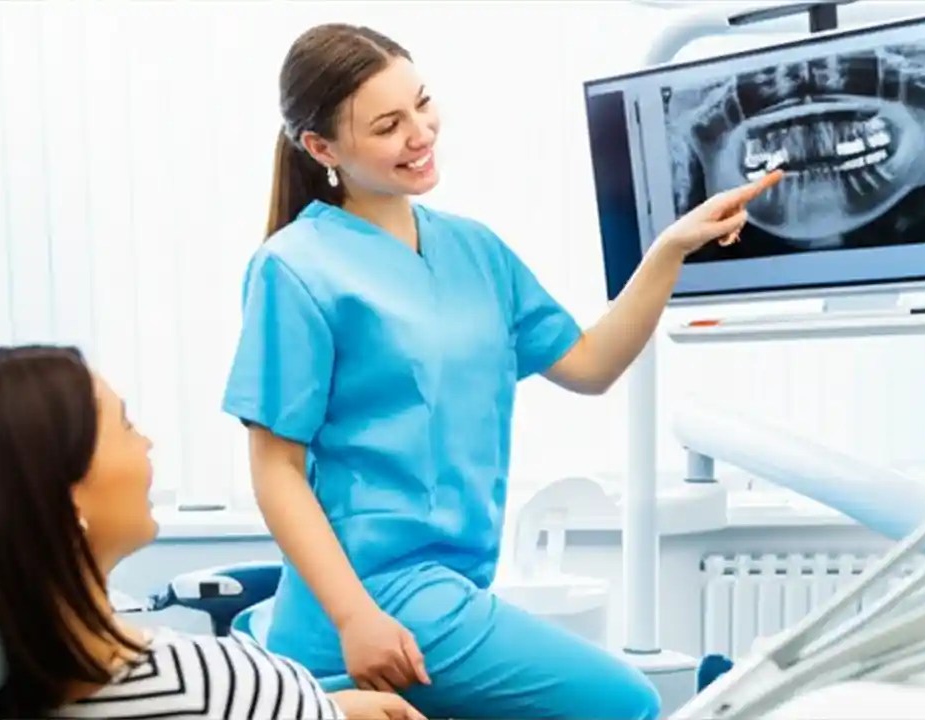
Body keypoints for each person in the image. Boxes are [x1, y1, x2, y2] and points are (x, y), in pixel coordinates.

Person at [221, 22, 783, 720]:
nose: (421, 133)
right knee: (627, 705)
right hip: (369, 596)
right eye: (390, 125)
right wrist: (354, 617)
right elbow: (275, 468)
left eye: (423, 104)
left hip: (452, 585)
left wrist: (669, 251)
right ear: (321, 148)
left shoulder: (475, 250)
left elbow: (590, 364)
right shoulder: (294, 267)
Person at [0, 344, 425, 720]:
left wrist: (323, 706)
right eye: (126, 425)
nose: (147, 445)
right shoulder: (215, 681)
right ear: (65, 505)